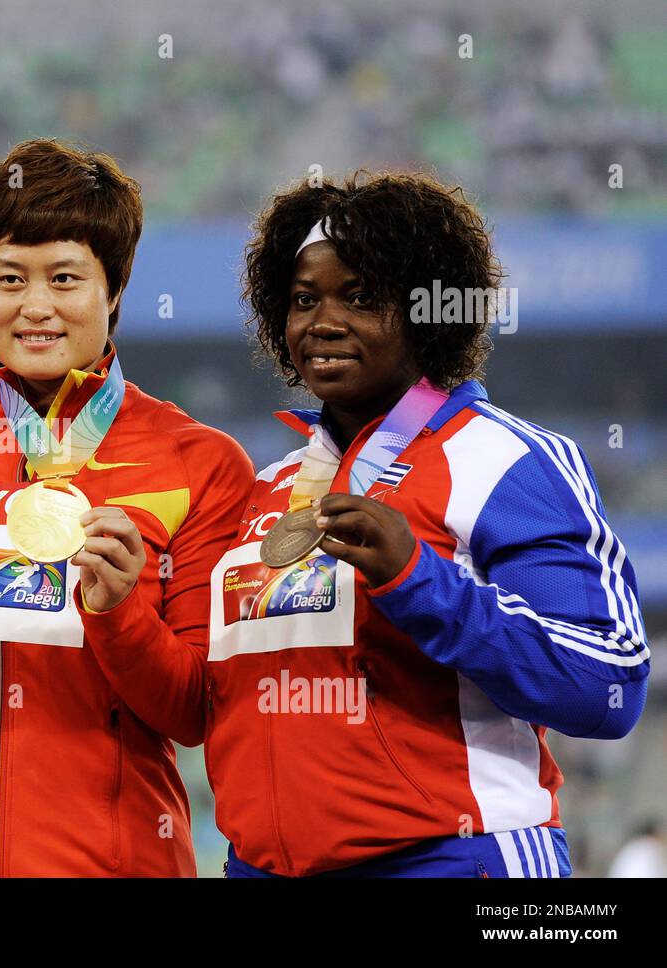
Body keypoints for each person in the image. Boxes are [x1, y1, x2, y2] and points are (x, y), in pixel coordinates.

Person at [204, 171, 649, 877]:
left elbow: (609, 684)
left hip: (457, 859)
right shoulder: (268, 490)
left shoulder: (507, 460)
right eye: (302, 300)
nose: (321, 322)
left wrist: (420, 581)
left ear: (428, 314)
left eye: (360, 297)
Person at [0, 139, 254, 876]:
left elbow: (196, 710)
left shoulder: (201, 463)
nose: (36, 307)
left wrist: (118, 610)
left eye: (65, 278)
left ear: (115, 290)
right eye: (9, 279)